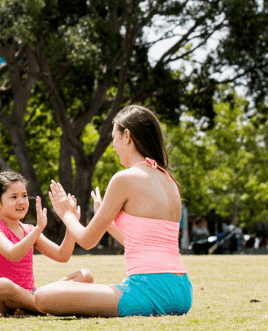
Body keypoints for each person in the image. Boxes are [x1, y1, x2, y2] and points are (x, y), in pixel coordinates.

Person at [36, 105, 192, 317]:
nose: (113, 145)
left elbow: (87, 240)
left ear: (126, 135)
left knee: (43, 297)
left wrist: (66, 213)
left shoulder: (124, 179)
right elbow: (141, 243)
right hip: (182, 292)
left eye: (113, 138)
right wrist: (108, 222)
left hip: (148, 290)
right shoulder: (168, 181)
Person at [0, 171, 93, 316]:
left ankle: (33, 307)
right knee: (1, 284)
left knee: (84, 276)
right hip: (1, 297)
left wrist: (70, 222)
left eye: (24, 196)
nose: (21, 201)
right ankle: (47, 307)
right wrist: (38, 229)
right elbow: (13, 254)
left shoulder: (29, 230)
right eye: (14, 197)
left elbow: (62, 255)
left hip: (30, 294)